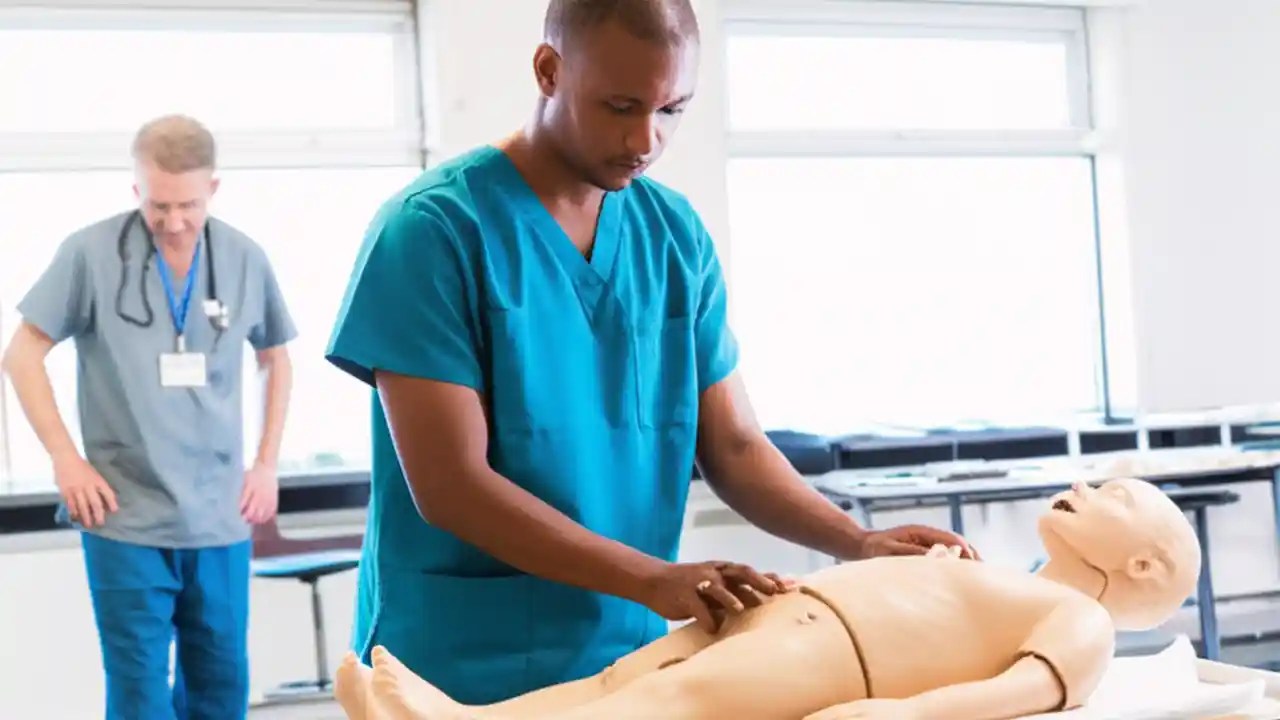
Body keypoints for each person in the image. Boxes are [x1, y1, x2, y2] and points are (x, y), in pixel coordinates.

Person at [324, 0, 973, 705]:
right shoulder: (433, 230)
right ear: (548, 70)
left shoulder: (672, 234)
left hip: (628, 660)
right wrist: (653, 579)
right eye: (620, 106)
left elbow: (733, 447)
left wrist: (858, 542)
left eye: (671, 110)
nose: (645, 139)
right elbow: (450, 486)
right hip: (457, 667)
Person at [333, 478, 1202, 720]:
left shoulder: (1082, 622)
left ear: (1145, 571)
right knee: (622, 682)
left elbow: (1021, 692)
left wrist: (906, 718)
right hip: (789, 613)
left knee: (670, 703)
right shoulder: (1002, 573)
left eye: (1119, 498)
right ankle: (468, 719)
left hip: (831, 657)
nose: (1089, 488)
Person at [1, 114, 297, 720]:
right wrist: (64, 458)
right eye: (157, 204)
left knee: (221, 686)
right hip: (123, 516)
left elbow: (276, 359)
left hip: (219, 516)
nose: (173, 222)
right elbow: (22, 353)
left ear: (213, 189)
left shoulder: (244, 257)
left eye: (188, 204)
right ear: (137, 189)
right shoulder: (89, 253)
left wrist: (266, 463)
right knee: (138, 692)